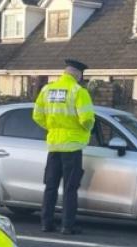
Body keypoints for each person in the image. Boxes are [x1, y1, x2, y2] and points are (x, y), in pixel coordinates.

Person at [32, 59, 94, 235]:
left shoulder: (47, 89)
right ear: (78, 75)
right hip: (72, 147)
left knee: (50, 186)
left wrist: (52, 128)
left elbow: (37, 115)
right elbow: (87, 119)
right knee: (70, 188)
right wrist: (85, 130)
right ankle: (67, 225)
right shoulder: (78, 91)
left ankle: (46, 223)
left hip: (53, 146)